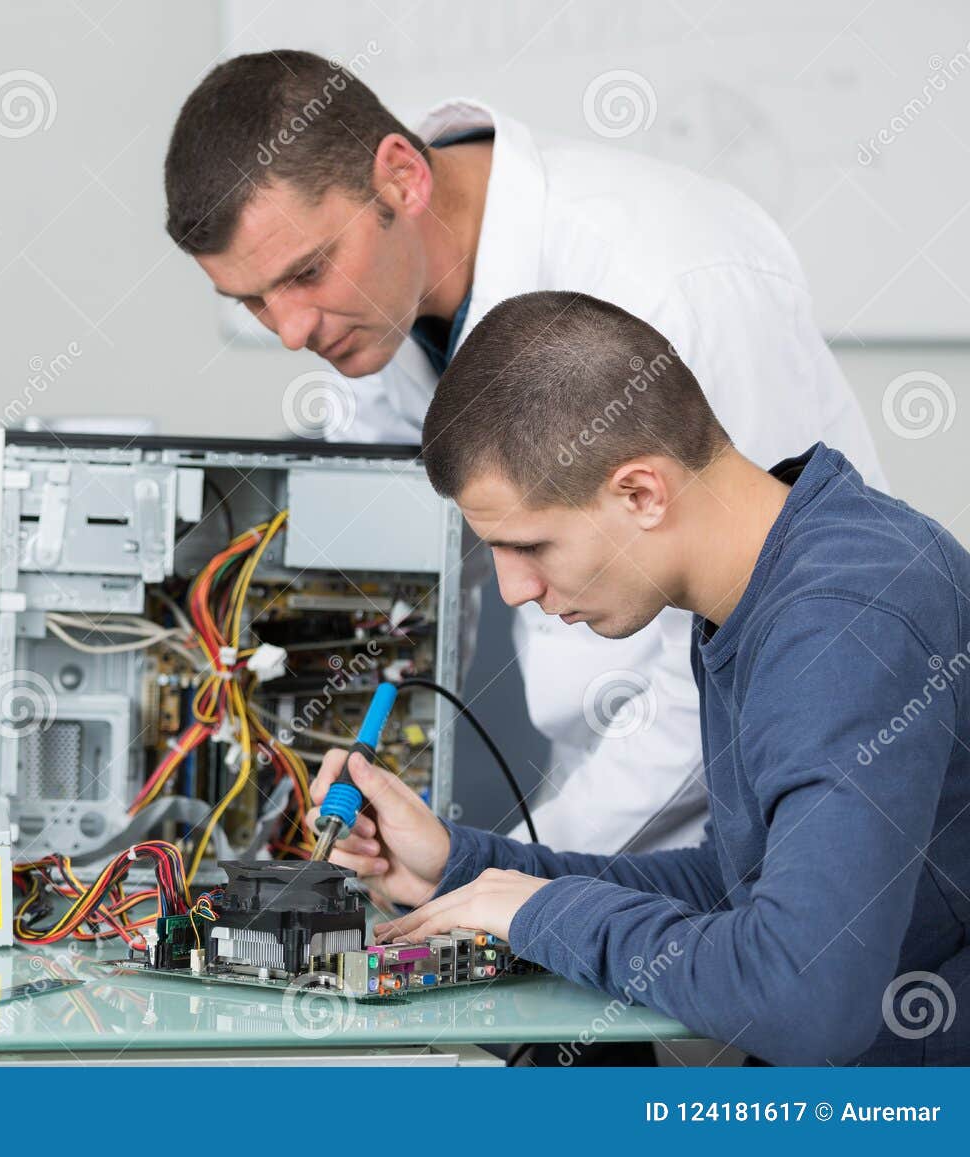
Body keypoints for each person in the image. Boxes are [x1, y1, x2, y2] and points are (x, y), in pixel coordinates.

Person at [164, 50, 886, 860]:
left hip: (776, 797)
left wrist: (508, 871)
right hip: (607, 796)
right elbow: (408, 598)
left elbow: (752, 636)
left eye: (308, 271)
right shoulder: (376, 317)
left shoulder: (674, 279)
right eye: (252, 301)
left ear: (402, 177)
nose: (292, 330)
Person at [311, 291, 968, 1066]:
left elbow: (804, 995)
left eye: (529, 545)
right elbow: (737, 884)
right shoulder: (770, 584)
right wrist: (460, 866)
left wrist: (546, 912)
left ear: (641, 493)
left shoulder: (845, 618)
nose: (515, 588)